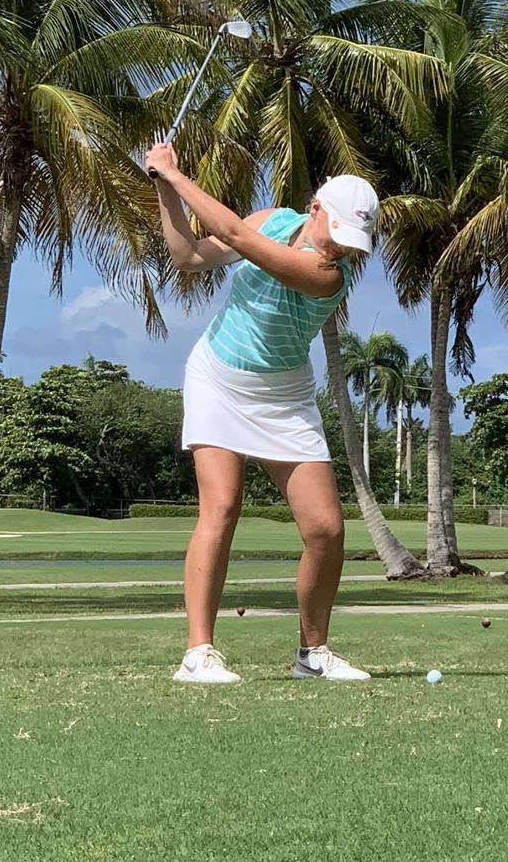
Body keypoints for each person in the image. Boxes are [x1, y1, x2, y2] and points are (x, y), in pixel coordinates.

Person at [150, 142, 381, 686]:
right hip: (218, 378)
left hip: (285, 396)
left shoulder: (329, 275)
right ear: (316, 208)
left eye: (352, 242)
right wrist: (164, 189)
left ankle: (312, 653)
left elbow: (234, 236)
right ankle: (198, 653)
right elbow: (189, 257)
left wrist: (175, 174)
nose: (341, 248)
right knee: (221, 507)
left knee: (325, 529)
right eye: (337, 232)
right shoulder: (274, 220)